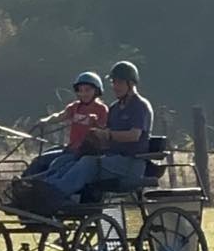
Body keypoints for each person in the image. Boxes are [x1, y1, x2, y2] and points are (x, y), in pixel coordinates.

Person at [27, 61, 153, 207]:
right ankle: (40, 187)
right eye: (113, 82)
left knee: (88, 163)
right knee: (67, 161)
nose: (114, 86)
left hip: (130, 163)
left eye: (118, 82)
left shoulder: (140, 106)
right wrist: (95, 134)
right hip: (111, 159)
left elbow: (134, 135)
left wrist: (107, 135)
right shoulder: (115, 108)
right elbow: (105, 136)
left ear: (130, 83)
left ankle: (54, 194)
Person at [21, 72, 108, 180]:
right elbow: (60, 115)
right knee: (39, 160)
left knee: (56, 165)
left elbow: (104, 131)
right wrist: (45, 121)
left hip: (85, 153)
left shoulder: (101, 109)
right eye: (80, 90)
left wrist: (95, 123)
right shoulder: (75, 107)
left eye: (87, 90)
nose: (83, 93)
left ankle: (45, 187)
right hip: (71, 149)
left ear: (96, 91)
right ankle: (21, 184)